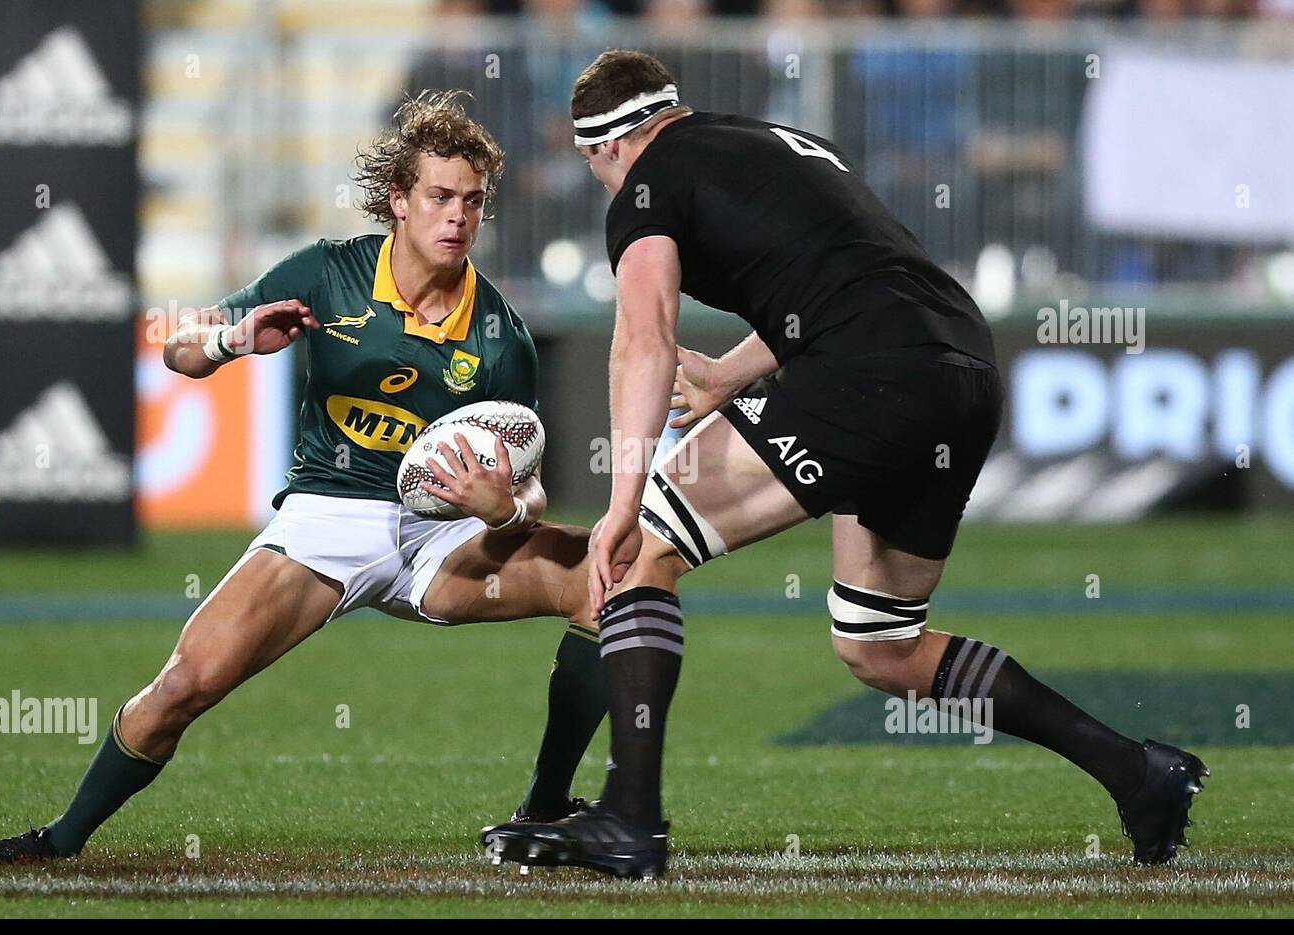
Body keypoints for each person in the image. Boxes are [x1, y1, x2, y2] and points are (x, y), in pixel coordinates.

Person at [482, 51, 1208, 879]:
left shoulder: (647, 183)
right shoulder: (778, 142)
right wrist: (726, 374)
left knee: (644, 549)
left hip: (869, 374)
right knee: (881, 645)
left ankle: (631, 822)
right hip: (961, 370)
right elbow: (846, 276)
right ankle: (1138, 773)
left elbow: (643, 339)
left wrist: (622, 495)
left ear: (600, 149)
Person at [0, 91, 607, 864]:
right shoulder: (328, 273)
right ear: (399, 200)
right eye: (440, 197)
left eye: (473, 202)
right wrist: (233, 342)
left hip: (447, 537)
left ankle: (545, 807)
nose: (458, 217)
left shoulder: (501, 336)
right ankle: (60, 841)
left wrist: (505, 509)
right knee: (181, 689)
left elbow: (532, 485)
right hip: (329, 518)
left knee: (605, 578)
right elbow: (178, 351)